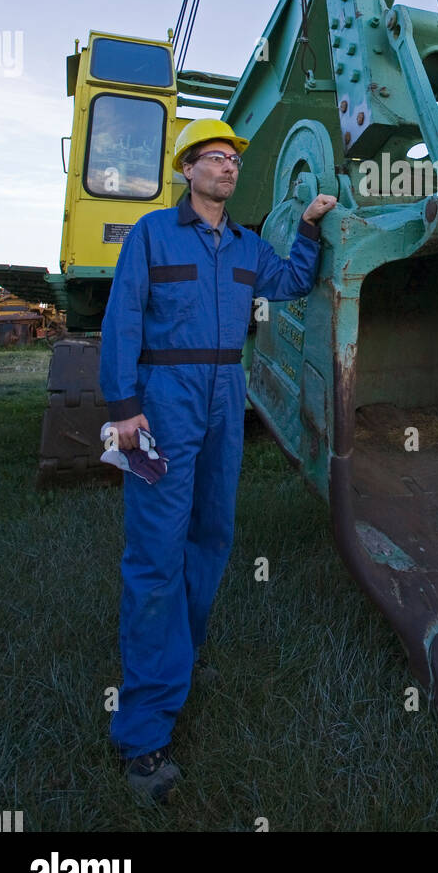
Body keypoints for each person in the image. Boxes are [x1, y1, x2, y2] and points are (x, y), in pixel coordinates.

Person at [99, 118, 336, 801]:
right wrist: (123, 409)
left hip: (225, 394)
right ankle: (143, 734)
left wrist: (314, 226)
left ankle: (178, 659)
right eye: (215, 158)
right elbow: (122, 320)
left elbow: (291, 281)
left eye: (233, 159)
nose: (228, 167)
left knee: (212, 537)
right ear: (186, 169)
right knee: (155, 552)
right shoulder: (152, 235)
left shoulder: (246, 244)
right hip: (163, 398)